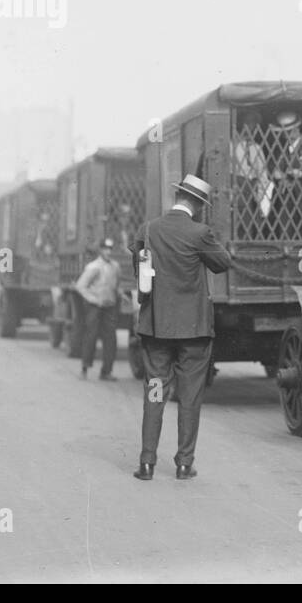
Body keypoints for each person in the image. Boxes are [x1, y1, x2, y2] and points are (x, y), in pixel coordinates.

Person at [131, 174, 232, 481]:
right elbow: (222, 263)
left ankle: (147, 462)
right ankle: (184, 464)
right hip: (194, 330)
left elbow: (137, 260)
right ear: (198, 205)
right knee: (189, 396)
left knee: (155, 392)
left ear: (177, 198)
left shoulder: (148, 228)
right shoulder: (200, 232)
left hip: (156, 326)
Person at [77, 237, 121, 380]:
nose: (108, 252)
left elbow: (116, 284)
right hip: (95, 307)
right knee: (91, 336)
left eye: (110, 249)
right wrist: (92, 299)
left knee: (111, 339)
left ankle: (106, 371)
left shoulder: (115, 266)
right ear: (100, 250)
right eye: (105, 249)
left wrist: (118, 293)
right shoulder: (93, 267)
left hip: (109, 306)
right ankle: (85, 367)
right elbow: (81, 286)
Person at [233, 109, 273, 232]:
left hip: (251, 190)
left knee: (251, 223)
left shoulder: (256, 148)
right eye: (248, 123)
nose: (251, 128)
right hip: (238, 189)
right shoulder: (232, 146)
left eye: (253, 124)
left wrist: (262, 197)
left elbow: (262, 174)